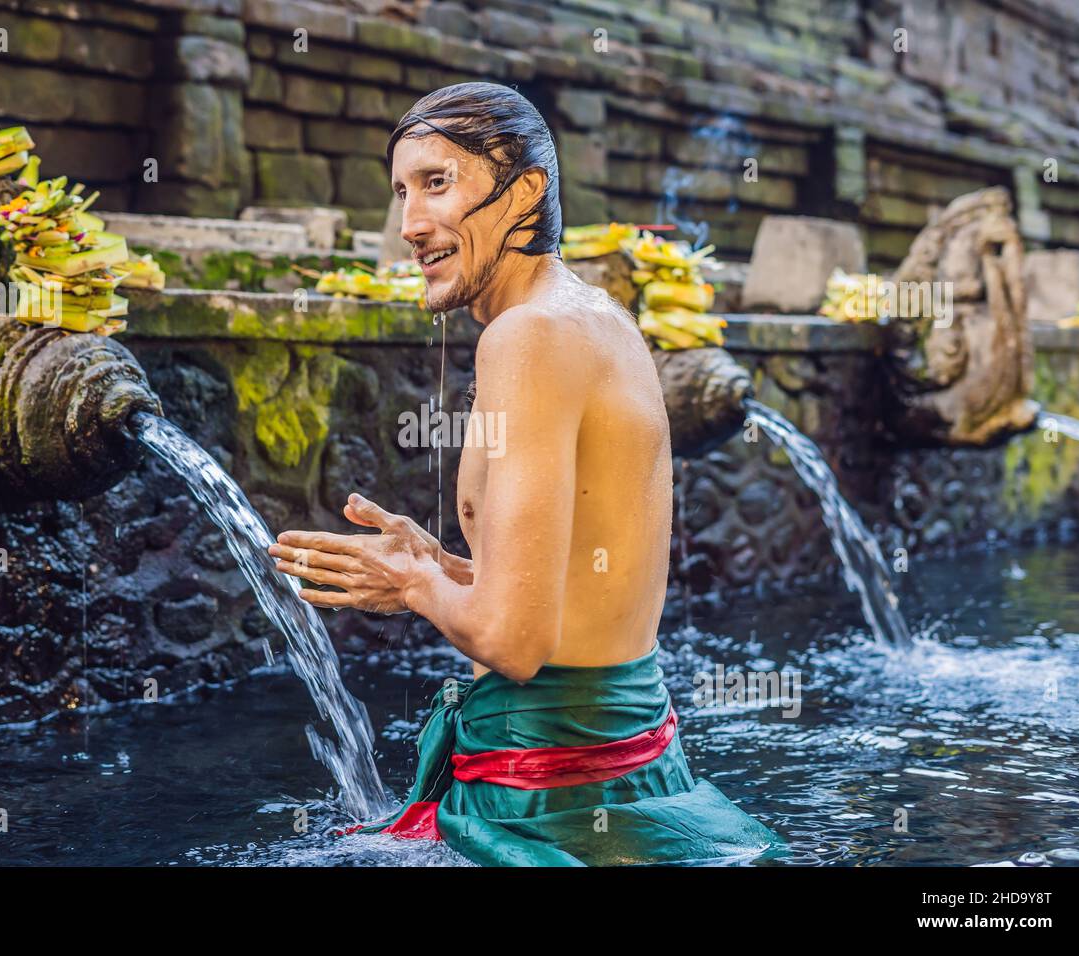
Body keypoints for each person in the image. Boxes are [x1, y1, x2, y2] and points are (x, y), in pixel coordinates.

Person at [268, 82, 783, 866]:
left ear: (527, 192)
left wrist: (412, 587)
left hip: (544, 799)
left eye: (438, 183)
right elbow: (567, 586)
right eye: (402, 192)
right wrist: (439, 564)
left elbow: (514, 640)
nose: (410, 224)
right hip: (625, 770)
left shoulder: (527, 337)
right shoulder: (596, 318)